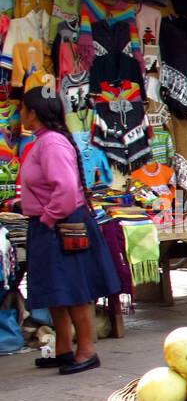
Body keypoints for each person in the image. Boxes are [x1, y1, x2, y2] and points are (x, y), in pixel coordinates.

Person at [18, 82, 118, 374]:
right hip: (53, 223)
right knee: (56, 291)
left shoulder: (50, 143)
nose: (20, 113)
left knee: (73, 290)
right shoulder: (47, 140)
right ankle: (63, 348)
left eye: (23, 109)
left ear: (33, 113)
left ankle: (86, 350)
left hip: (61, 225)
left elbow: (63, 189)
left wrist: (48, 219)